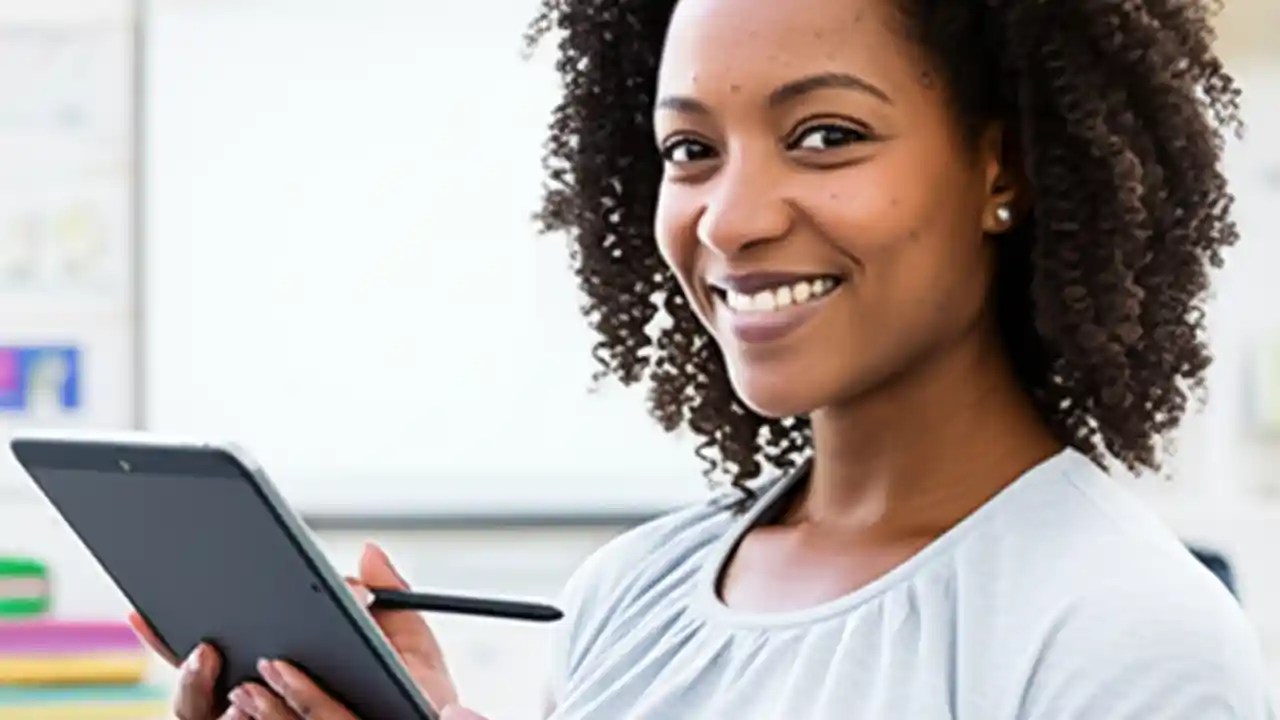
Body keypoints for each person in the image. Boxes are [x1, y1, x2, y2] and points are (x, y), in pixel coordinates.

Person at [135, 0, 1276, 717]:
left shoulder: (1122, 637)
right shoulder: (625, 597)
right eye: (690, 149)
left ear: (1004, 168)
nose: (727, 221)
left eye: (824, 135)